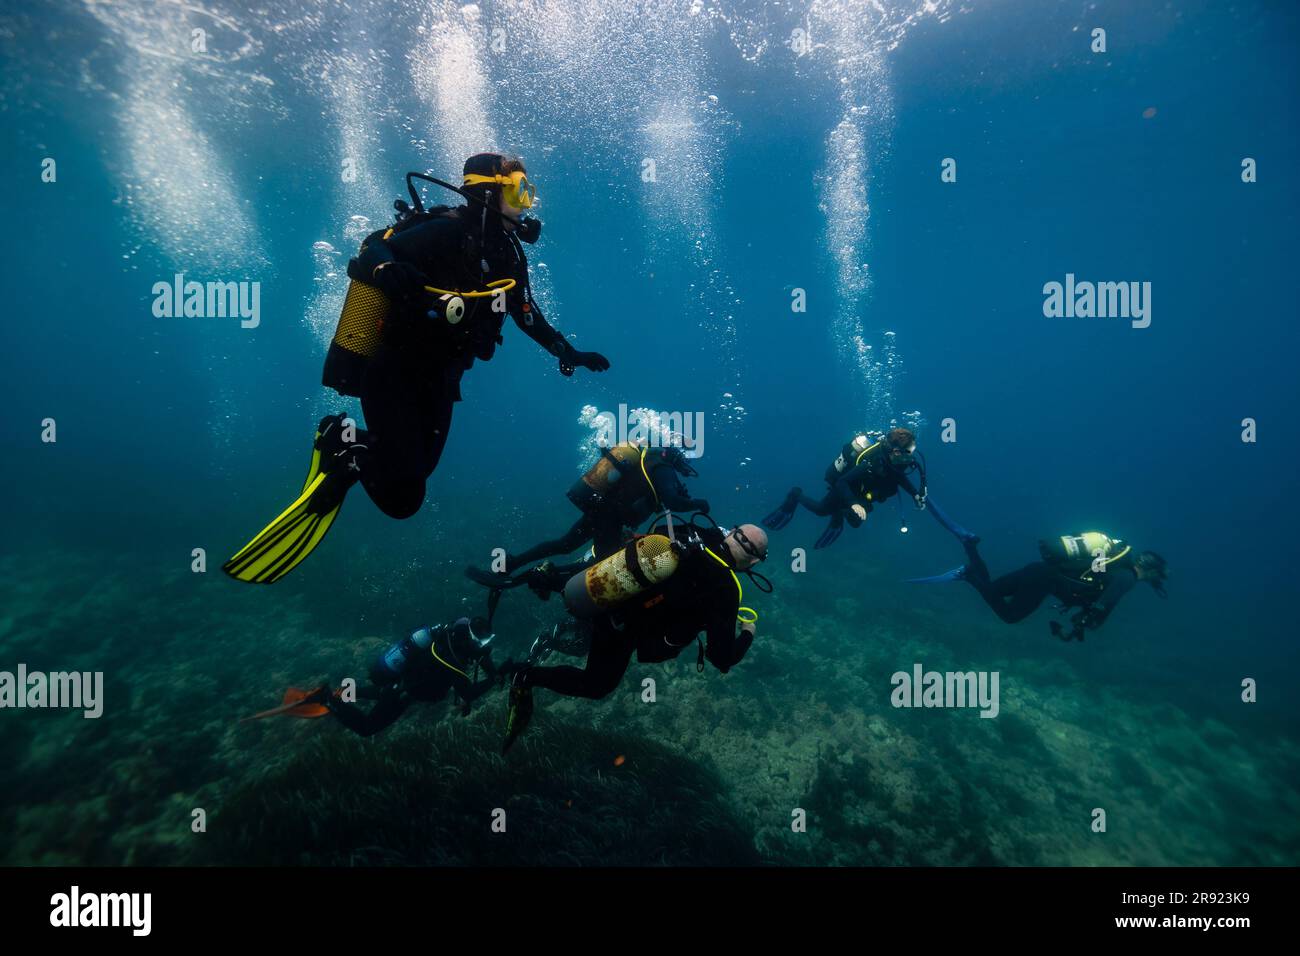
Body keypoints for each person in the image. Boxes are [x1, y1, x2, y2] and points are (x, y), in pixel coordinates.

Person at [224, 153, 611, 584]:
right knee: (403, 494)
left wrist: (566, 351)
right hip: (394, 369)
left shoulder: (507, 254)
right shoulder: (447, 230)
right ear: (488, 192)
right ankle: (345, 448)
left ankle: (360, 447)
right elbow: (373, 245)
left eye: (529, 193)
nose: (527, 203)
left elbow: (524, 312)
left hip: (442, 380)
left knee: (414, 482)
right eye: (519, 190)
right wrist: (387, 267)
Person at [502, 520, 770, 753]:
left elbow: (655, 533)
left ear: (730, 532)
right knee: (596, 685)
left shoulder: (694, 534)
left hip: (610, 594)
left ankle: (548, 580)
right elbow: (721, 658)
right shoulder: (726, 590)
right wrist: (747, 634)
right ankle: (527, 676)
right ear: (756, 561)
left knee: (583, 625)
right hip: (623, 630)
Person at [465, 441, 709, 585]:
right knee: (605, 565)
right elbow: (674, 503)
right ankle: (536, 579)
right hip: (610, 517)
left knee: (564, 545)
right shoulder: (664, 469)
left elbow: (661, 498)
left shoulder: (650, 459)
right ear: (677, 457)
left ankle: (512, 564)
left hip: (601, 510)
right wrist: (700, 503)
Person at [243, 617, 511, 736]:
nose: (483, 647)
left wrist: (495, 670)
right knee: (367, 727)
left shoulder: (451, 637)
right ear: (470, 639)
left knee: (381, 691)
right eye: (481, 642)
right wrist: (497, 679)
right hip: (403, 693)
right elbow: (470, 693)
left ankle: (338, 692)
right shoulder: (451, 661)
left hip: (402, 684)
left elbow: (482, 657)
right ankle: (327, 698)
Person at [911, 531, 1169, 641]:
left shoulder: (1115, 563)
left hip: (1039, 570)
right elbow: (1104, 603)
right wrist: (1087, 622)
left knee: (992, 588)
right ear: (1151, 572)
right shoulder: (1126, 578)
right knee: (1010, 616)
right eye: (1157, 577)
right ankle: (967, 574)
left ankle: (970, 547)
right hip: (1044, 580)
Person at [764, 427, 958, 549]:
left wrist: (915, 494)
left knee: (856, 522)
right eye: (908, 454)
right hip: (846, 486)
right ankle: (795, 495)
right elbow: (842, 482)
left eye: (912, 453)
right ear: (896, 451)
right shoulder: (871, 462)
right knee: (822, 511)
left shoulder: (899, 461)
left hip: (862, 491)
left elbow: (898, 478)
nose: (911, 459)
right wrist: (853, 504)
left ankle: (839, 514)